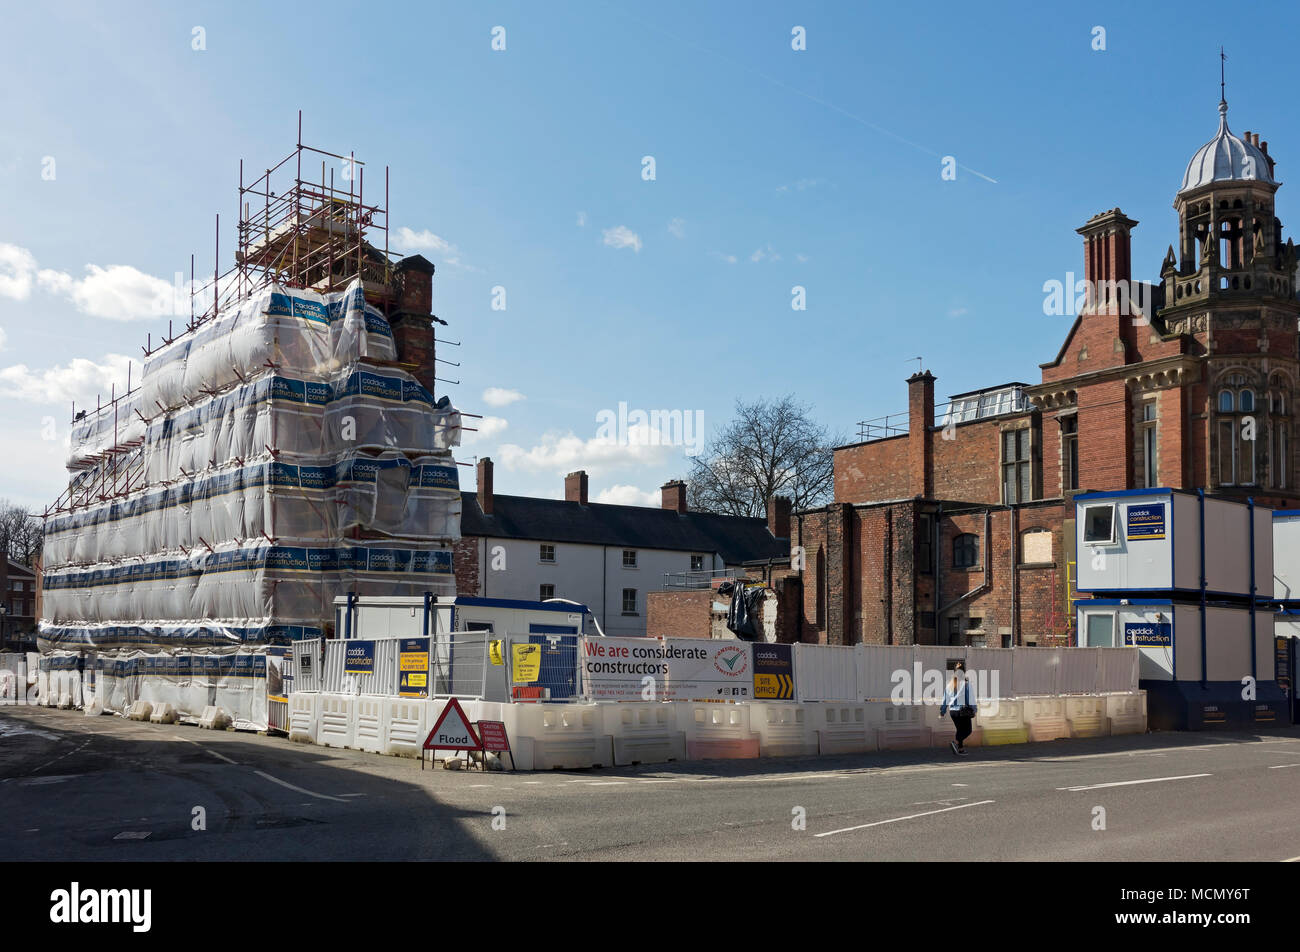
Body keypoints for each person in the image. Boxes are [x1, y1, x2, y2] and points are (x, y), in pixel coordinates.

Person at [939, 661, 977, 755]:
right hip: (963, 711)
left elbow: (945, 699)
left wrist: (942, 711)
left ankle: (960, 749)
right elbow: (970, 698)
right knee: (968, 730)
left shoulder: (949, 685)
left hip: (953, 712)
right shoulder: (966, 684)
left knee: (960, 730)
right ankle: (956, 743)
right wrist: (974, 709)